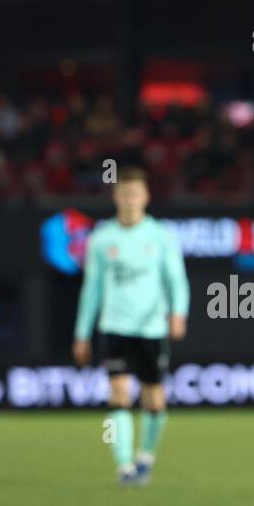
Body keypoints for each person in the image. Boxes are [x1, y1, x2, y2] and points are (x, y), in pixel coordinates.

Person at [72, 168, 189, 485]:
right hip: (115, 326)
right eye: (125, 194)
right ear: (116, 196)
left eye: (136, 194)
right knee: (119, 393)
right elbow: (92, 288)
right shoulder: (101, 238)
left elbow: (175, 278)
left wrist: (178, 312)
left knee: (154, 397)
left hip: (151, 327)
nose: (130, 200)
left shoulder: (160, 235)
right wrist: (82, 333)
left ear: (146, 197)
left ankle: (146, 456)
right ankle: (124, 466)